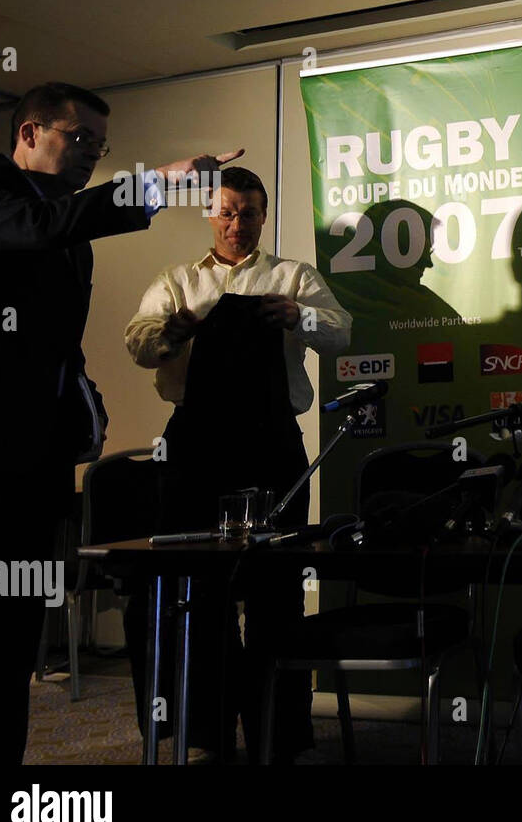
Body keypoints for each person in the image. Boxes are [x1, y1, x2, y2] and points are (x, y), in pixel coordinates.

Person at [0, 80, 241, 763]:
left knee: (10, 654)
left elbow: (48, 342)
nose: (90, 153)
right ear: (29, 133)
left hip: (35, 470)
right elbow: (33, 230)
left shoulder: (71, 235)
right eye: (78, 137)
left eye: (99, 144)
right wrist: (157, 185)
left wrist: (79, 395)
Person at [123, 165, 352, 761]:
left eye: (248, 213)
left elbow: (342, 333)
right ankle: (206, 735)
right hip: (195, 447)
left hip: (273, 444)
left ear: (263, 216)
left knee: (277, 592)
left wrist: (297, 316)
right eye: (226, 212)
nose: (237, 224)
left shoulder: (292, 276)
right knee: (201, 594)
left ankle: (281, 738)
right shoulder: (177, 281)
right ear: (210, 214)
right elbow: (137, 342)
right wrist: (172, 331)